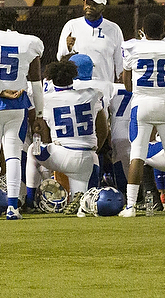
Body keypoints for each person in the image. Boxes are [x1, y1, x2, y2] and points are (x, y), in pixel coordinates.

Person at [0, 7, 45, 220]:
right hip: (18, 105)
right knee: (13, 155)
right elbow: (36, 84)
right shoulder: (29, 42)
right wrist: (39, 115)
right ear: (14, 21)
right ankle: (13, 207)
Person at [120, 13, 165, 216]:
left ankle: (131, 206)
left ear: (143, 30)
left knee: (137, 154)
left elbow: (127, 83)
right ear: (163, 30)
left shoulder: (132, 47)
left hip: (141, 103)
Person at [32, 57, 110, 201]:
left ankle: (32, 196)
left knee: (34, 148)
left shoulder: (46, 100)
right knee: (81, 202)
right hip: (86, 157)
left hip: (60, 154)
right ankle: (79, 198)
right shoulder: (93, 94)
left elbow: (44, 134)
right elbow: (103, 131)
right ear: (73, 76)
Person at [58, 0, 126, 87]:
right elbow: (60, 58)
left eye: (94, 4)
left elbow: (120, 61)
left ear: (102, 7)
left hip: (104, 87)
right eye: (87, 3)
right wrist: (67, 48)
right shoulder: (72, 26)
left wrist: (121, 83)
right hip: (78, 87)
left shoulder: (113, 29)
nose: (89, 7)